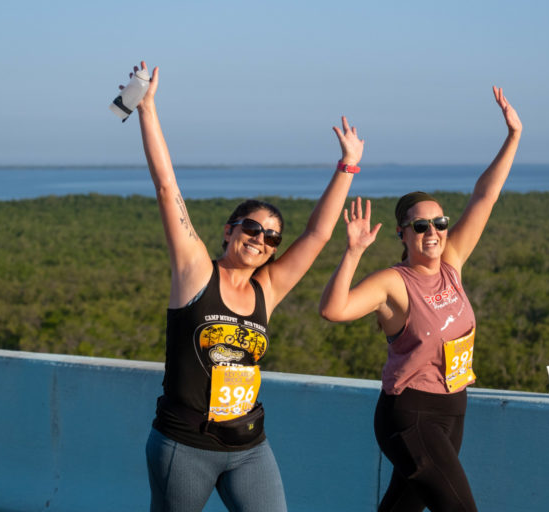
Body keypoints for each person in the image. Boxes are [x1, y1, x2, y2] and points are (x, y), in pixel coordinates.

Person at [125, 61, 364, 512]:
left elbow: (316, 235)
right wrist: (147, 109)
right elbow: (166, 186)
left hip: (250, 447)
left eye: (271, 236)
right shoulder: (196, 271)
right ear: (229, 230)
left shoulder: (267, 290)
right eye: (252, 228)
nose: (261, 239)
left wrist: (347, 167)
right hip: (185, 444)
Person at [319, 87, 522, 511]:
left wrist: (513, 136)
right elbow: (333, 310)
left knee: (402, 508)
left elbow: (485, 196)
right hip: (409, 415)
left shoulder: (452, 263)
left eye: (439, 223)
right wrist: (353, 253)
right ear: (403, 234)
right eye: (420, 226)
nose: (432, 232)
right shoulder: (395, 282)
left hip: (454, 409)